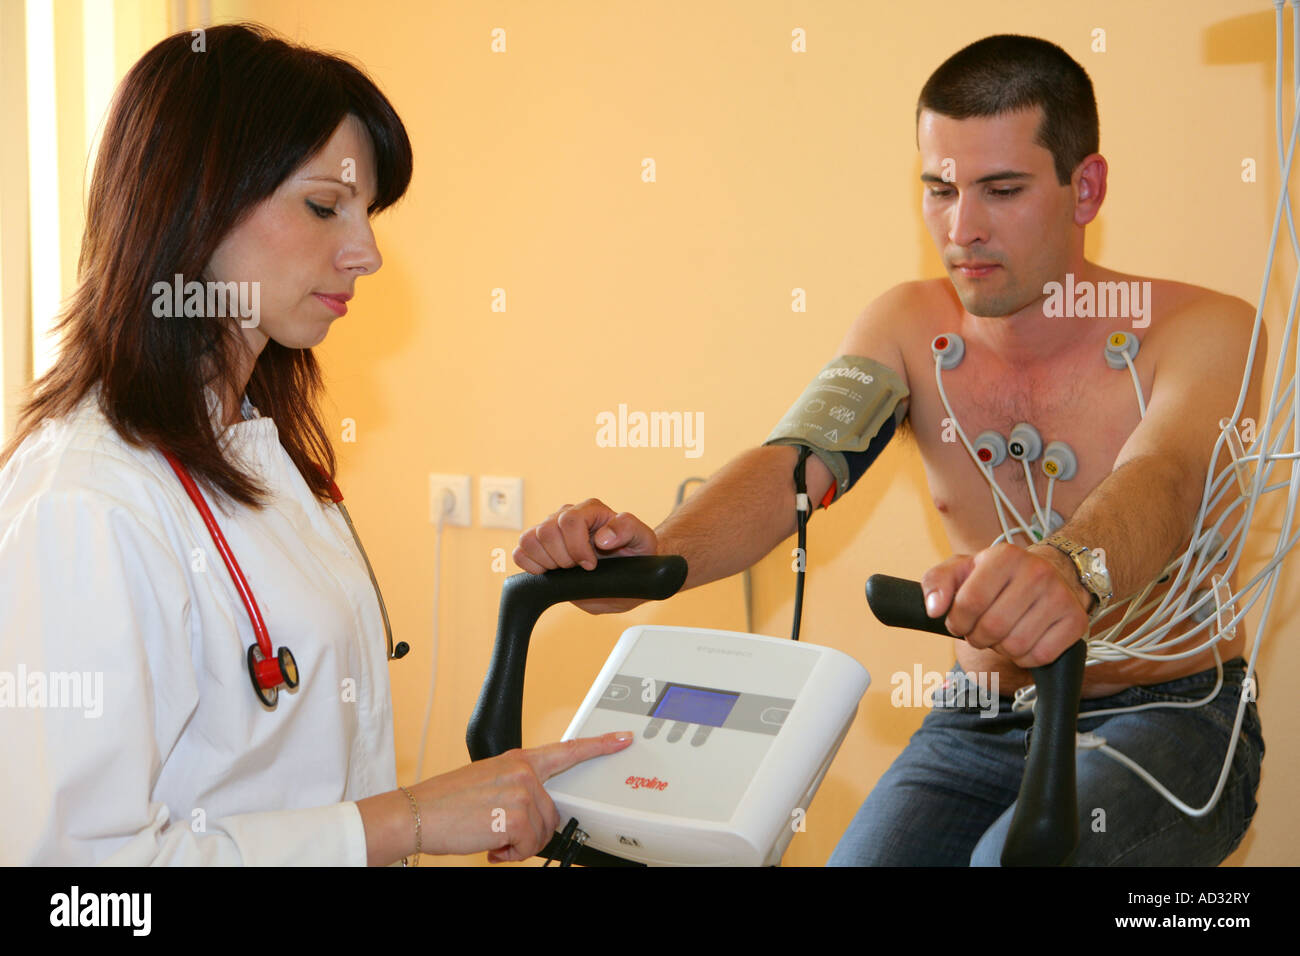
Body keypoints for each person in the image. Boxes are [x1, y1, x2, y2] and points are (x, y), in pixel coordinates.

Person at [513, 34, 1267, 865]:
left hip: (1170, 713)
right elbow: (795, 465)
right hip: (983, 714)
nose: (963, 226)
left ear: (1084, 188)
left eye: (1002, 190)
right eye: (939, 189)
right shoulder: (908, 327)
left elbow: (1167, 475)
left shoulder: (1206, 328)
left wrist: (1069, 570)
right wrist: (658, 556)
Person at [0, 22, 630, 866]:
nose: (365, 251)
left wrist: (467, 798)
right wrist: (407, 820)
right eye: (324, 205)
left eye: (367, 212)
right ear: (195, 201)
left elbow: (287, 782)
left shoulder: (261, 457)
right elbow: (80, 885)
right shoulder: (85, 503)